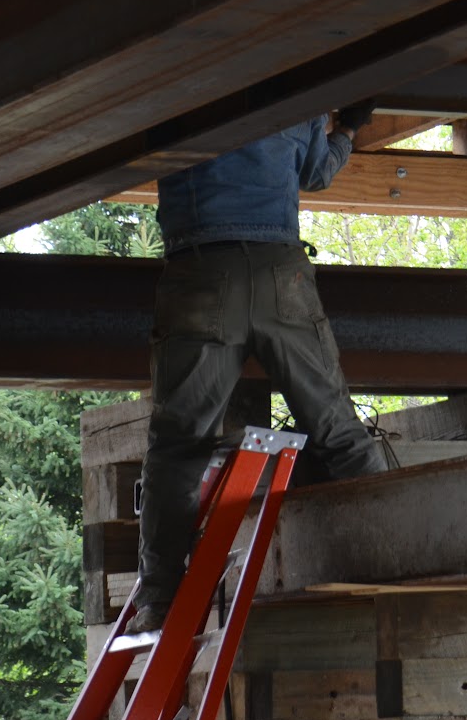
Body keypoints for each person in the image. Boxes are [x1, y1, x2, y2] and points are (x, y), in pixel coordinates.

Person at [128, 102, 388, 634]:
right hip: (279, 272)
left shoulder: (177, 90)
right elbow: (316, 172)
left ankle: (158, 599)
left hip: (200, 270)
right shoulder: (299, 94)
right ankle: (395, 553)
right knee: (339, 431)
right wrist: (348, 127)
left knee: (177, 448)